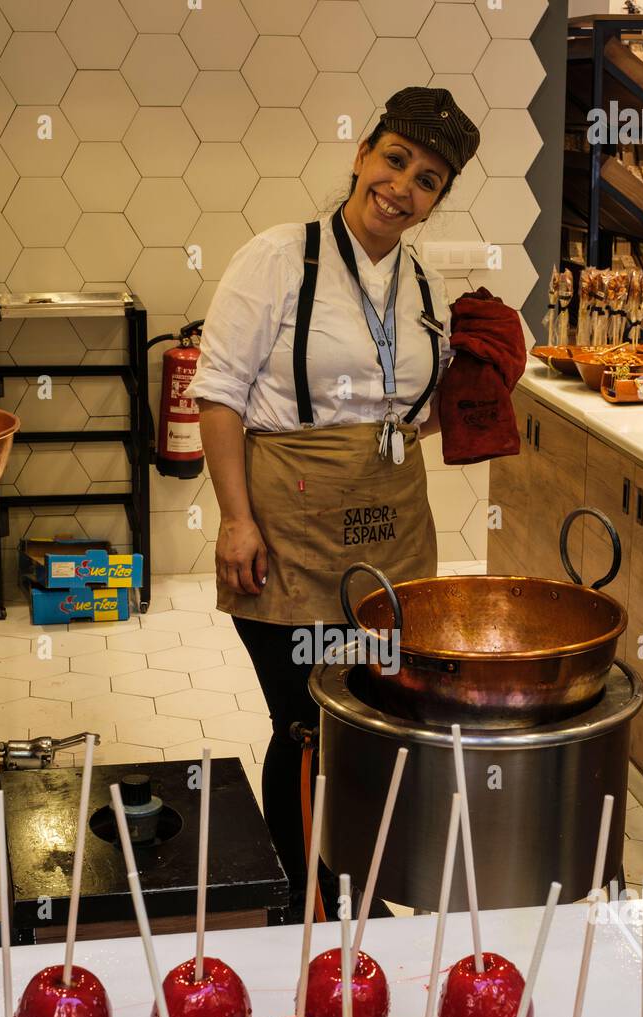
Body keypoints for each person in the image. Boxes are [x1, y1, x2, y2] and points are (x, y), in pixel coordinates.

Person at [189, 87, 481, 916]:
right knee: (304, 720)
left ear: (434, 202)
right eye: (395, 161)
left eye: (428, 180)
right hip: (289, 534)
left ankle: (355, 884)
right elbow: (218, 396)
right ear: (362, 154)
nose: (403, 187)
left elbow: (412, 416)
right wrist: (237, 521)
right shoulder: (279, 258)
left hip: (392, 536)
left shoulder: (421, 286)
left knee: (372, 715)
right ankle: (305, 896)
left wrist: (474, 387)